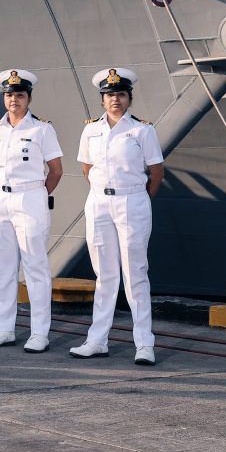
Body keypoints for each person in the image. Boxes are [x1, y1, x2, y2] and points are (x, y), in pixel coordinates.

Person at [69, 67, 165, 366]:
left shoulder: (142, 130)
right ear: (102, 100)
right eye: (110, 95)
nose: (115, 100)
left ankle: (144, 344)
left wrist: (137, 198)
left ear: (129, 98)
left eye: (121, 94)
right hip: (99, 202)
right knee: (105, 275)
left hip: (132, 202)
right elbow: (87, 168)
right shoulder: (90, 130)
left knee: (135, 274)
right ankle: (97, 341)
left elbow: (157, 172)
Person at [0, 69, 63, 352]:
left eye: (19, 94)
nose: (13, 99)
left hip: (30, 199)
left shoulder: (42, 129)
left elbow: (56, 170)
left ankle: (39, 333)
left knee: (35, 267)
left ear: (29, 98)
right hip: (0, 200)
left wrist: (36, 195)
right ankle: (4, 329)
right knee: (4, 268)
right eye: (9, 95)